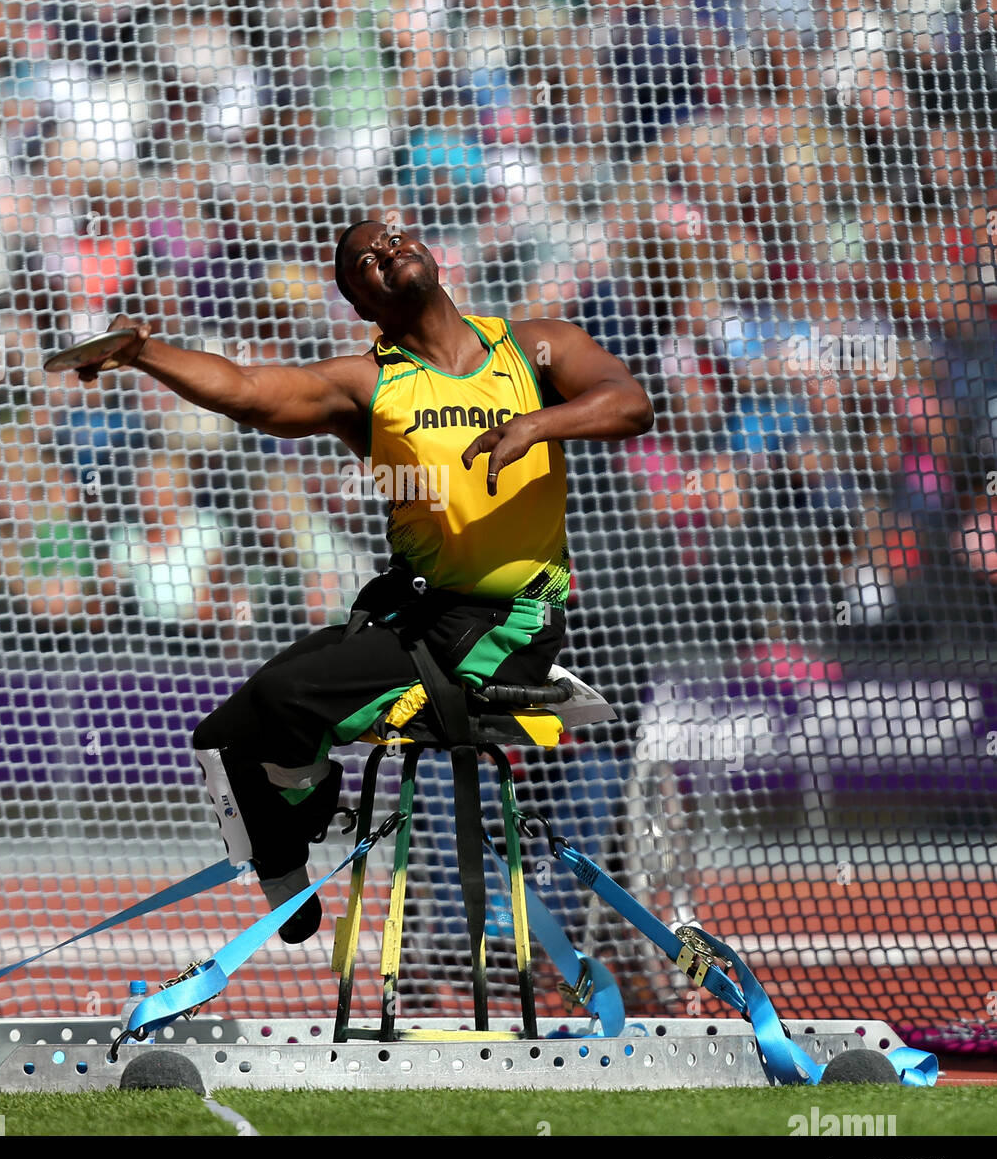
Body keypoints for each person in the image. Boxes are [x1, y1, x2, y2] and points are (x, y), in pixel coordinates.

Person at [68, 220, 653, 942]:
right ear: (361, 305)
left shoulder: (534, 347)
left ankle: (308, 803)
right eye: (364, 263)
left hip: (505, 627)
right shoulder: (371, 386)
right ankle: (285, 858)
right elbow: (247, 391)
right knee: (222, 735)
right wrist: (144, 351)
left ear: (430, 253)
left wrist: (538, 425)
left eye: (393, 239)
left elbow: (630, 403)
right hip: (419, 613)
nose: (385, 251)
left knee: (289, 699)